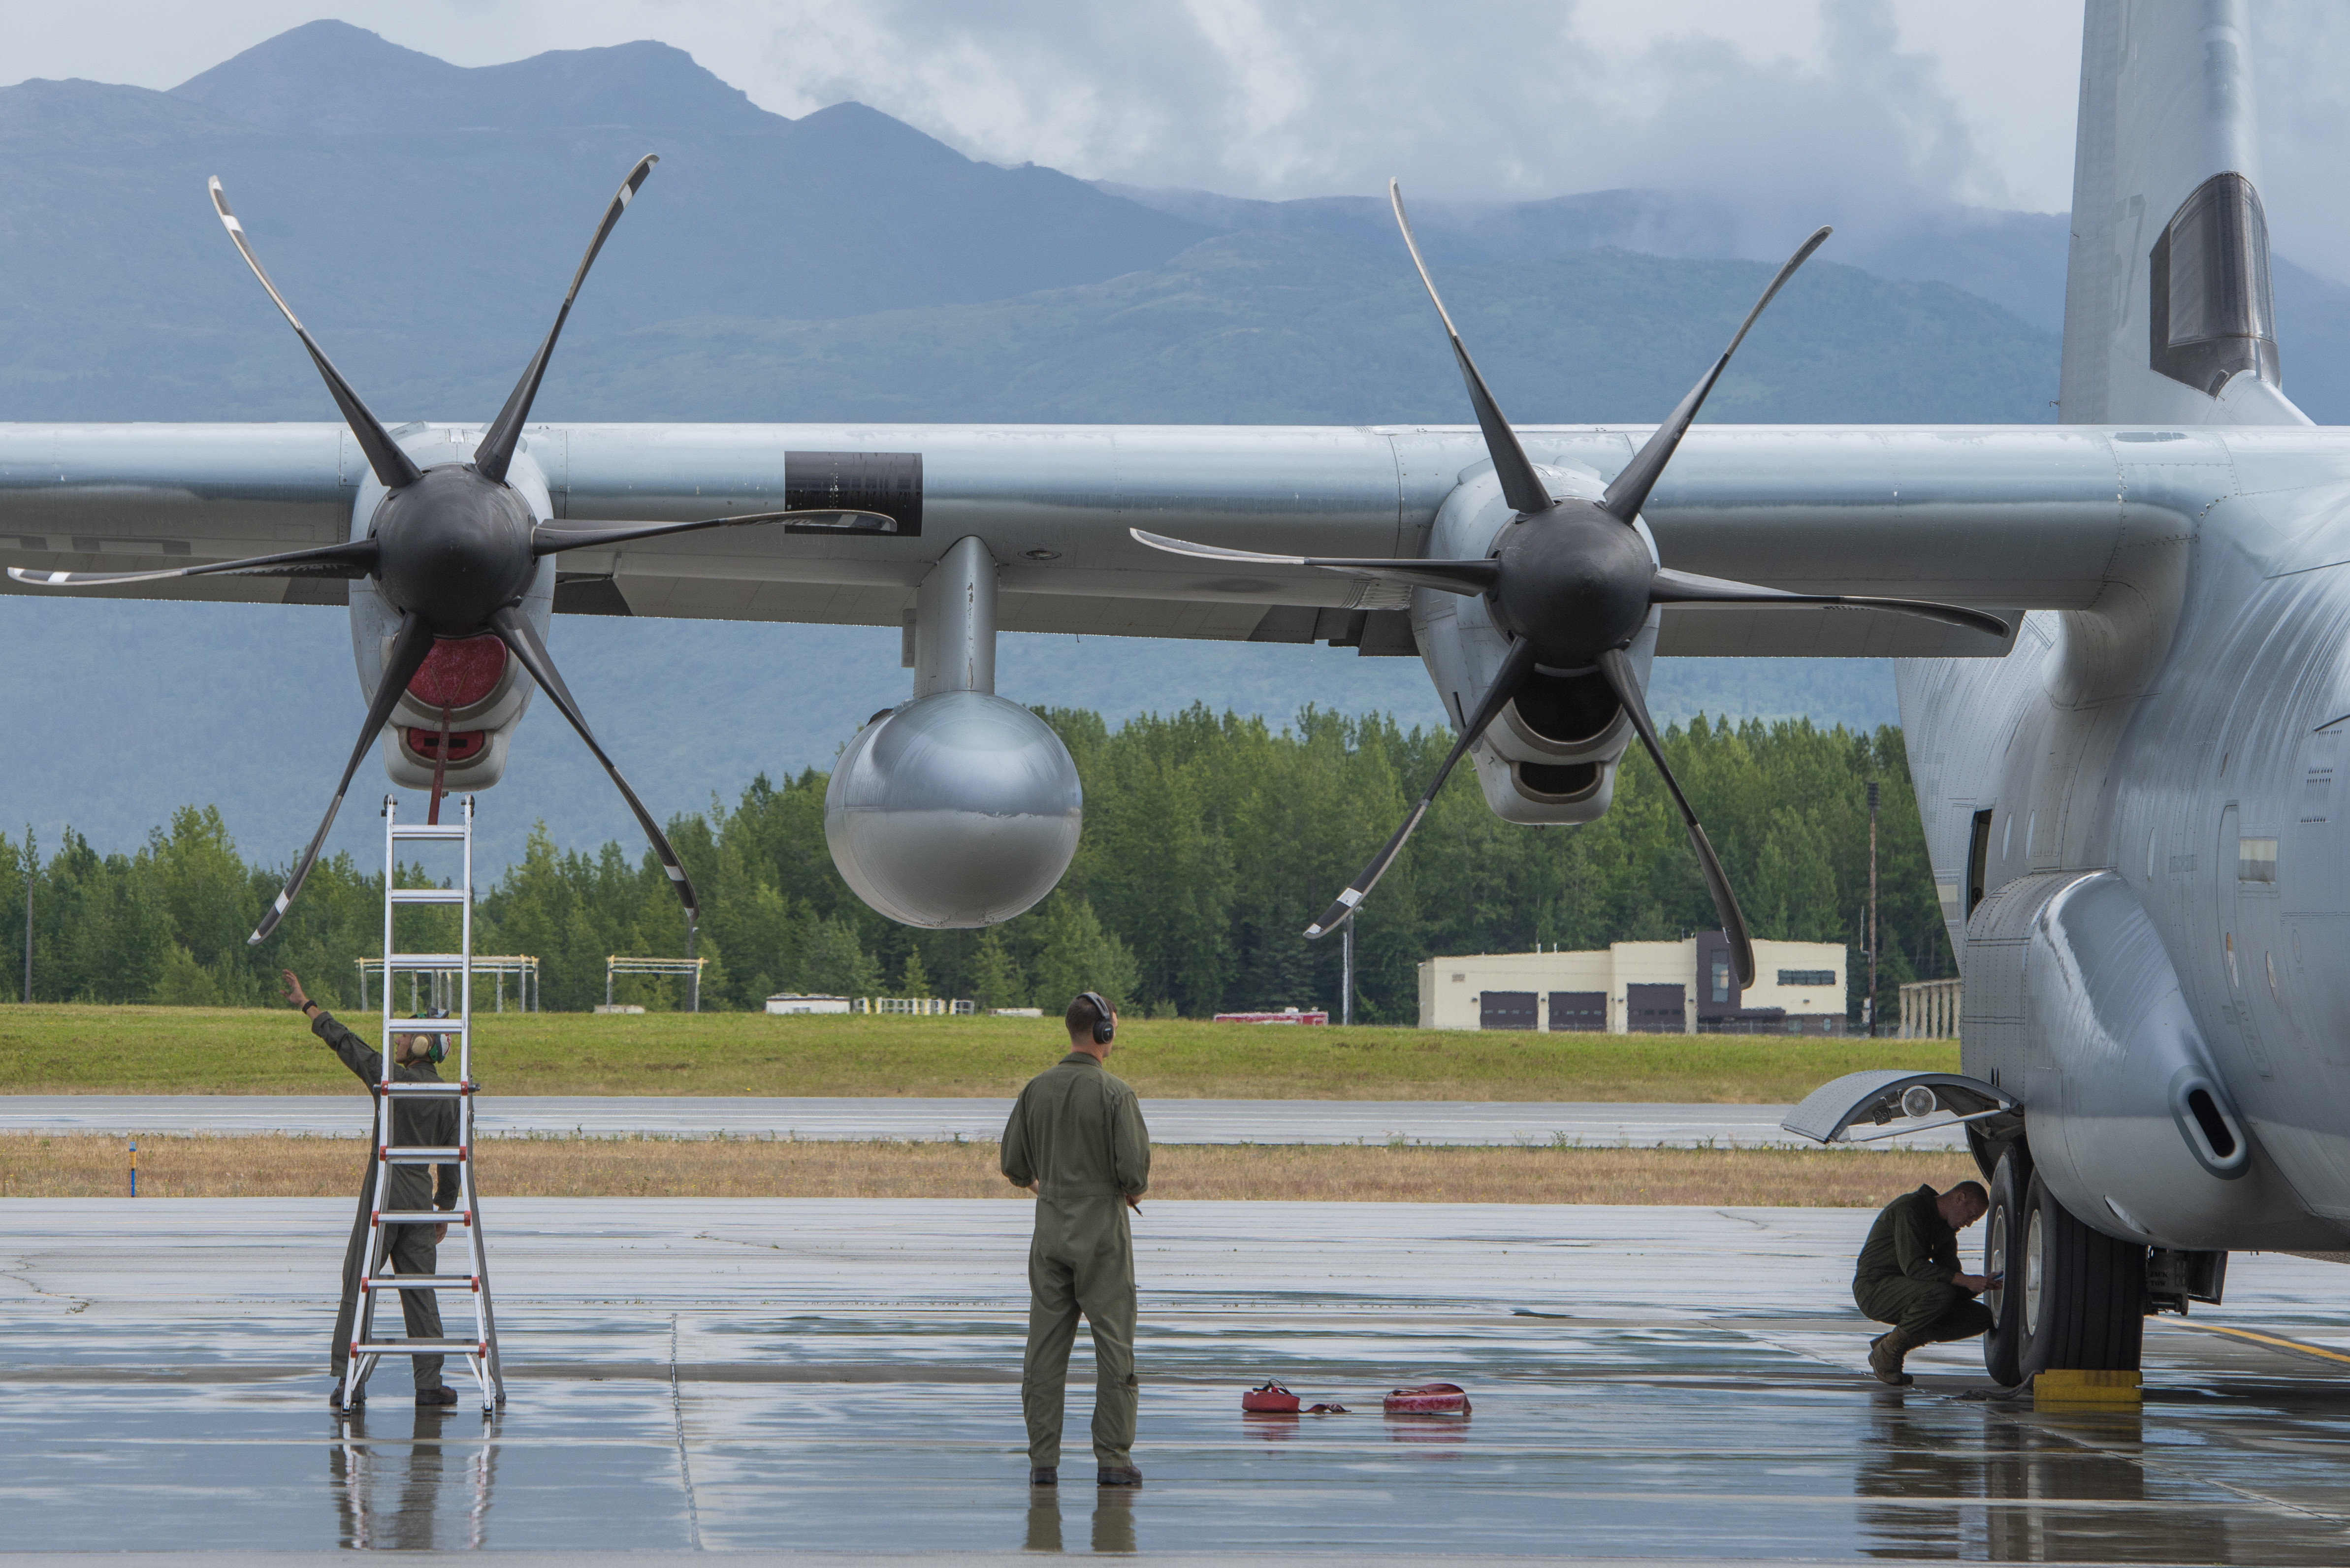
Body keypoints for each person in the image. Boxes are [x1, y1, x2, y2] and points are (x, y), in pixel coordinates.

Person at [283, 970, 462, 1410]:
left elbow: (349, 1046)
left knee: (358, 1283)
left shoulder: (391, 1081)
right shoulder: (450, 1096)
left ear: (421, 1046)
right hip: (419, 1199)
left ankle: (349, 1381)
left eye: (405, 1035)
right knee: (421, 1292)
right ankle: (429, 1383)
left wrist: (309, 1006)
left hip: (384, 1191)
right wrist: (444, 1207)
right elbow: (452, 1160)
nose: (398, 1039)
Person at [1000, 991, 1151, 1489]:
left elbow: (1013, 1165)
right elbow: (1134, 1175)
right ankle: (1113, 1458)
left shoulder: (1034, 1090)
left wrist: (1049, 1187)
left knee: (1044, 1351)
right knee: (1114, 1349)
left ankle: (1043, 1461)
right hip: (1103, 1237)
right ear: (1104, 1032)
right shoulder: (1117, 1094)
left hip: (1049, 1232)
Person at [1853, 1180, 1997, 1386]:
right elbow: (1914, 1267)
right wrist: (1966, 1281)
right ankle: (1888, 1353)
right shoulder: (1910, 1209)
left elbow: (1952, 1280)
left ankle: (1891, 1344)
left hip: (1906, 1289)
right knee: (1940, 1293)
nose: (1969, 1223)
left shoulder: (1945, 1230)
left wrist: (1982, 1284)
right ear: (1960, 1198)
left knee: (1979, 1317)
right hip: (1874, 1289)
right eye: (1971, 1215)